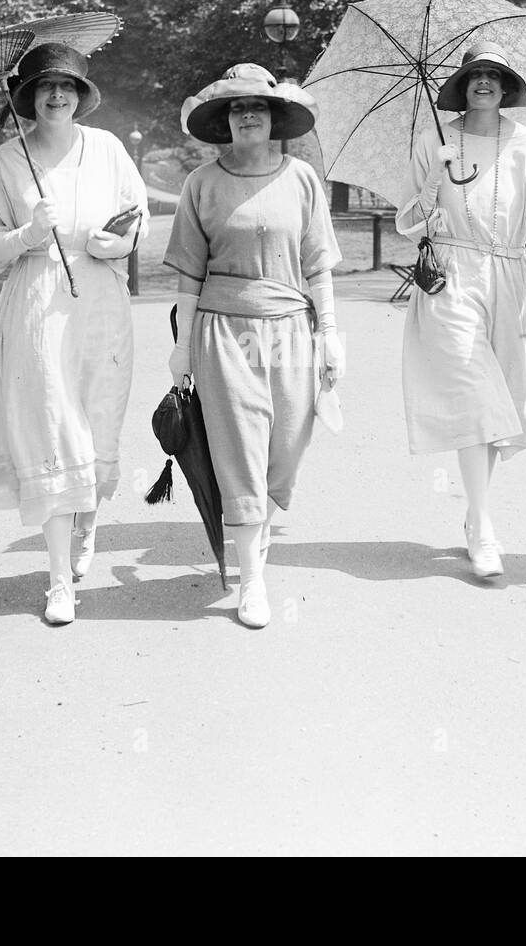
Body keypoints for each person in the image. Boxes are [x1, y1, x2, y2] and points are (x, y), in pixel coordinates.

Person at [0, 43, 149, 626]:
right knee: (52, 427)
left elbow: (135, 216)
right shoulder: (6, 161)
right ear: (27, 97)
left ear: (80, 96)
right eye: (45, 87)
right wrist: (27, 232)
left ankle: (88, 519)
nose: (56, 96)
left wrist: (116, 243)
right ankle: (58, 582)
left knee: (97, 419)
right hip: (38, 305)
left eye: (66, 87)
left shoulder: (107, 149)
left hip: (99, 301)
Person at [164, 63, 344, 629]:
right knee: (239, 454)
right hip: (222, 330)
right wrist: (182, 348)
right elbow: (189, 275)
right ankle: (251, 579)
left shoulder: (303, 179)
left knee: (284, 451)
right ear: (224, 120)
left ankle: (252, 546)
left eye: (258, 108)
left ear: (274, 119)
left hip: (291, 329)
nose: (247, 115)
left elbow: (319, 265)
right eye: (237, 108)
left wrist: (331, 335)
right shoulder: (202, 184)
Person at [394, 42, 526, 579]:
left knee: (500, 400)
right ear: (461, 85)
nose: (483, 82)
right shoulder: (432, 139)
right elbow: (406, 222)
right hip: (452, 276)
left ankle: (474, 512)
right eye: (474, 74)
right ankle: (485, 528)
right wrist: (431, 177)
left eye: (493, 74)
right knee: (472, 391)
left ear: (507, 84)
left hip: (511, 275)